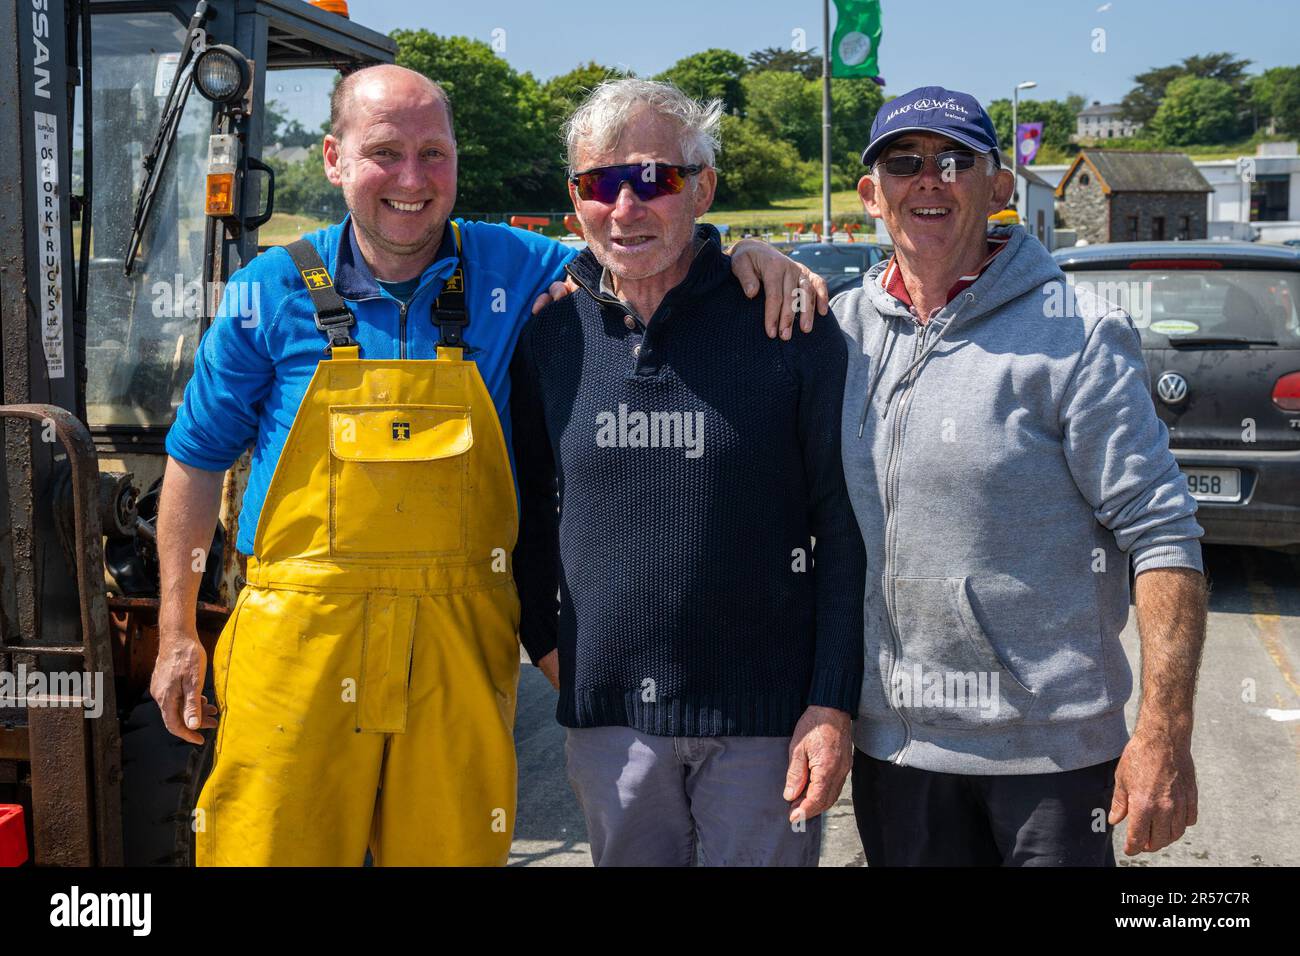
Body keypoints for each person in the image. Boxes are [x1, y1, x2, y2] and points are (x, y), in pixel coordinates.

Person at [151, 64, 828, 866]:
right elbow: (194, 462)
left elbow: (642, 242)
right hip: (296, 646)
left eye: (434, 154)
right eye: (385, 153)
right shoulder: (265, 290)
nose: (413, 179)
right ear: (333, 159)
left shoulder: (522, 270)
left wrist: (756, 253)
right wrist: (176, 633)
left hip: (459, 643)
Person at [834, 86, 1207, 866]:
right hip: (896, 755)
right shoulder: (840, 332)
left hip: (1052, 764)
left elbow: (1163, 535)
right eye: (904, 163)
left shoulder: (1079, 332)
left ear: (999, 189)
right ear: (872, 195)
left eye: (956, 160)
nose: (929, 179)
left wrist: (1163, 734)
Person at [510, 79, 866, 867]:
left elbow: (842, 528)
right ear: (575, 203)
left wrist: (831, 701)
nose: (625, 207)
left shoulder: (788, 323)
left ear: (703, 187)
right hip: (612, 731)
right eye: (599, 184)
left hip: (767, 727)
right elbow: (528, 516)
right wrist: (546, 642)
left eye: (653, 178)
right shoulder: (550, 337)